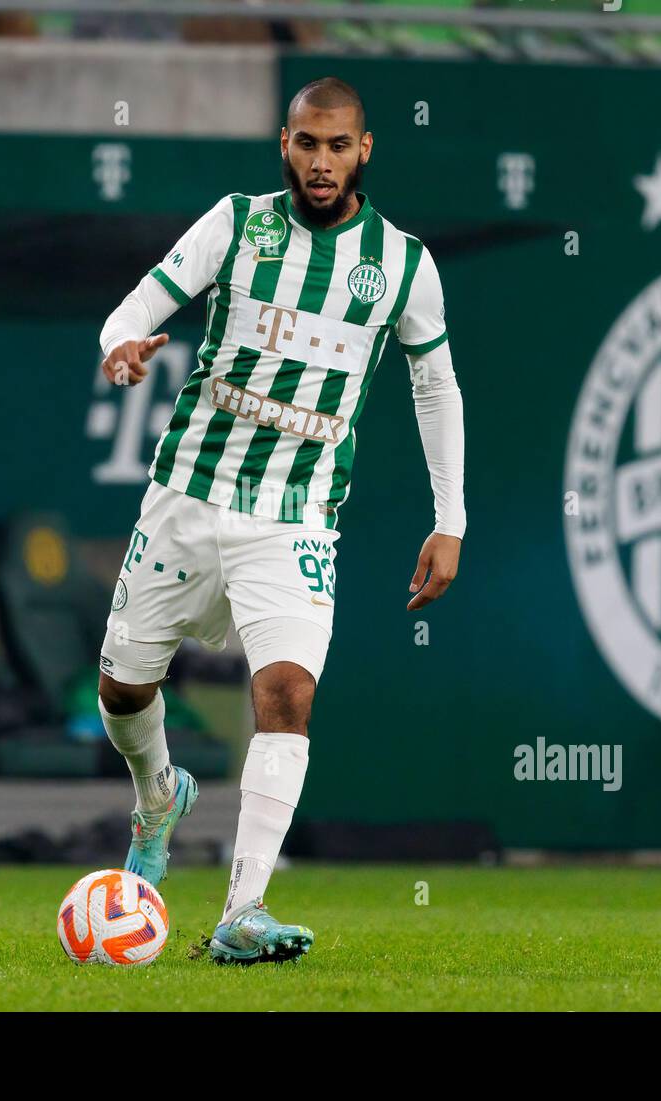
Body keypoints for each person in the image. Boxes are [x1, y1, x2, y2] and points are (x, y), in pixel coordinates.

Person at [95, 77, 466, 964]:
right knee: (121, 691)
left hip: (296, 516)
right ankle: (158, 798)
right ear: (285, 145)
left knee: (287, 696)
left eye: (339, 145)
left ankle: (243, 909)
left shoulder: (405, 264)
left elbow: (435, 386)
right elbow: (144, 299)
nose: (323, 160)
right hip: (189, 491)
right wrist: (120, 340)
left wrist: (449, 517)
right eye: (308, 143)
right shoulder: (237, 223)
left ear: (365, 150)